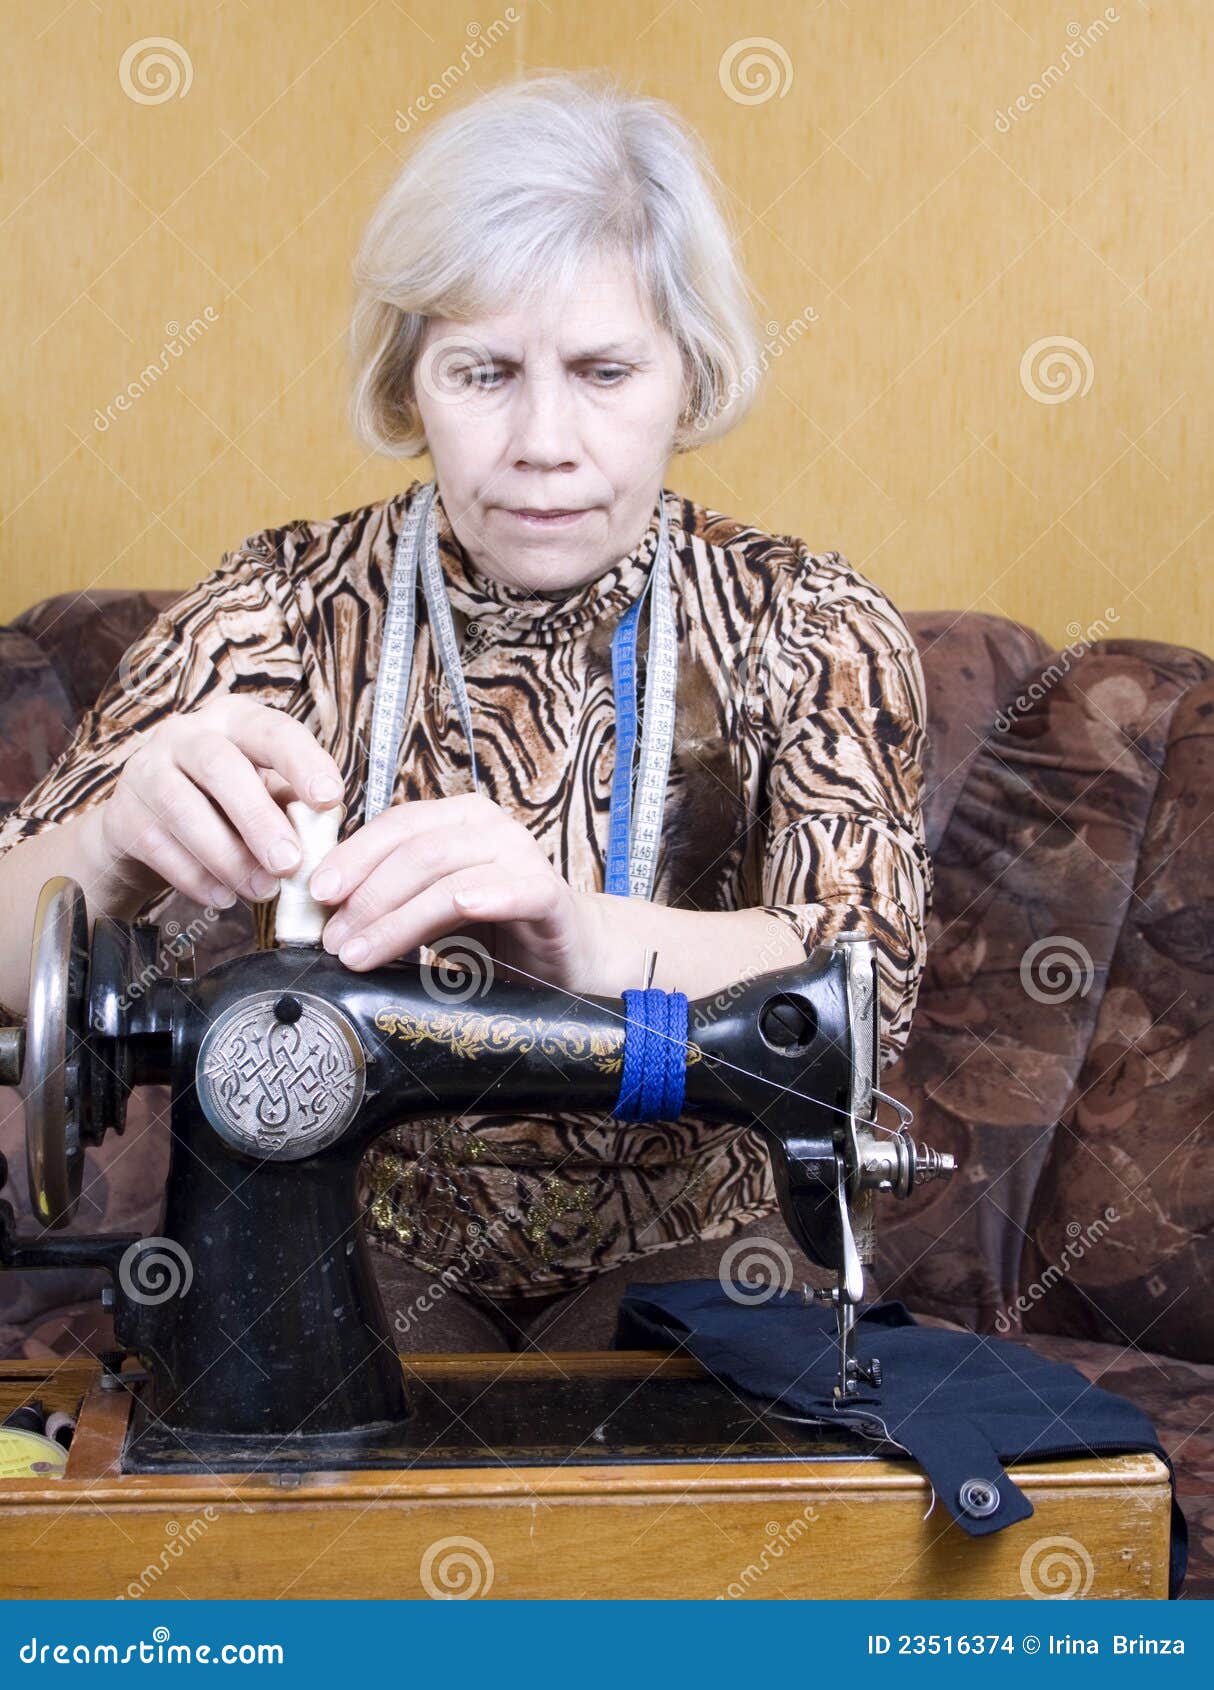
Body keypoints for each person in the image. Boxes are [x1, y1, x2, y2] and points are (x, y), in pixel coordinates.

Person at [0, 70, 933, 1354]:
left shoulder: (809, 627)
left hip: (702, 1250)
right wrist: (109, 845)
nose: (543, 439)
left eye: (604, 370)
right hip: (358, 1235)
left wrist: (578, 939)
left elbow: (863, 988)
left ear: (689, 374)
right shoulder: (276, 611)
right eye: (482, 371)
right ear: (408, 382)